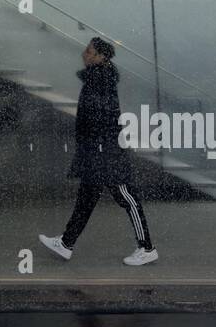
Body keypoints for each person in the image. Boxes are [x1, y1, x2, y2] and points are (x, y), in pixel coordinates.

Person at [39, 37, 158, 266]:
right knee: (87, 197)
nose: (85, 54)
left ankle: (147, 248)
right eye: (86, 50)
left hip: (106, 150)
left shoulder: (101, 79)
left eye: (90, 52)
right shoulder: (98, 77)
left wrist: (101, 146)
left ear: (102, 57)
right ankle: (66, 243)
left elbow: (103, 116)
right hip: (97, 149)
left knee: (126, 196)